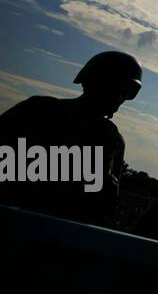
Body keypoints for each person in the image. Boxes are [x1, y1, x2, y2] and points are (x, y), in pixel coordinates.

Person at [0, 51, 141, 224]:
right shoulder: (39, 110)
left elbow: (103, 207)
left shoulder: (113, 140)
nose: (119, 97)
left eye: (126, 92)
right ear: (90, 82)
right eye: (113, 88)